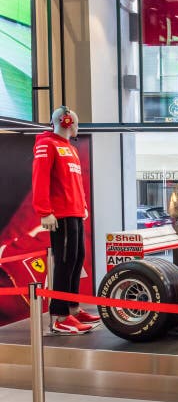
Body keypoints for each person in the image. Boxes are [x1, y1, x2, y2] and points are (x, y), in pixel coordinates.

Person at [32, 106, 100, 334]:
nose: (78, 126)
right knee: (64, 262)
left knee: (76, 258)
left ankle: (72, 308)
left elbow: (75, 183)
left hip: (75, 213)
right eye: (76, 121)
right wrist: (44, 211)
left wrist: (83, 206)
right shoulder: (46, 144)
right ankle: (60, 317)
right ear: (67, 121)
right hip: (60, 214)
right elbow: (39, 178)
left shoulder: (69, 148)